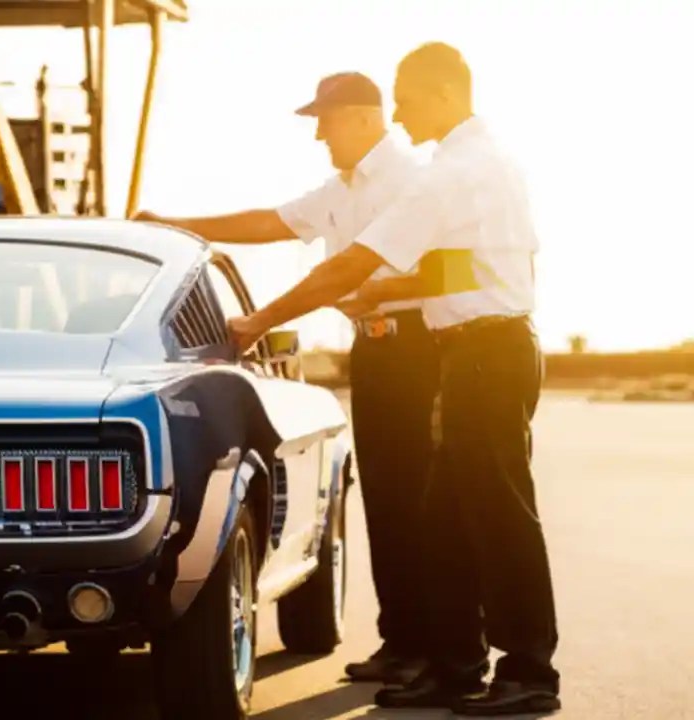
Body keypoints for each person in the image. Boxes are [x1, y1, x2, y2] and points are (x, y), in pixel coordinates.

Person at [224, 41, 561, 715]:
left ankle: (528, 672)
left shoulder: (454, 173)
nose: (398, 117)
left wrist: (257, 321)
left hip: (485, 353)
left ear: (442, 95)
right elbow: (472, 267)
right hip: (477, 348)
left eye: (404, 103)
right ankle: (457, 663)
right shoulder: (486, 162)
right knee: (443, 520)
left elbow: (348, 266)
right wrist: (390, 293)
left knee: (498, 517)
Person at [133, 71, 446, 684]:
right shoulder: (343, 187)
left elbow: (438, 274)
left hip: (422, 352)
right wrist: (174, 223)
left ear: (360, 117)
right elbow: (268, 222)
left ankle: (441, 647)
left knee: (427, 507)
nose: (321, 136)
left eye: (325, 122)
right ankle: (402, 643)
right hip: (378, 354)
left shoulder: (415, 181)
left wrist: (265, 320)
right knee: (386, 505)